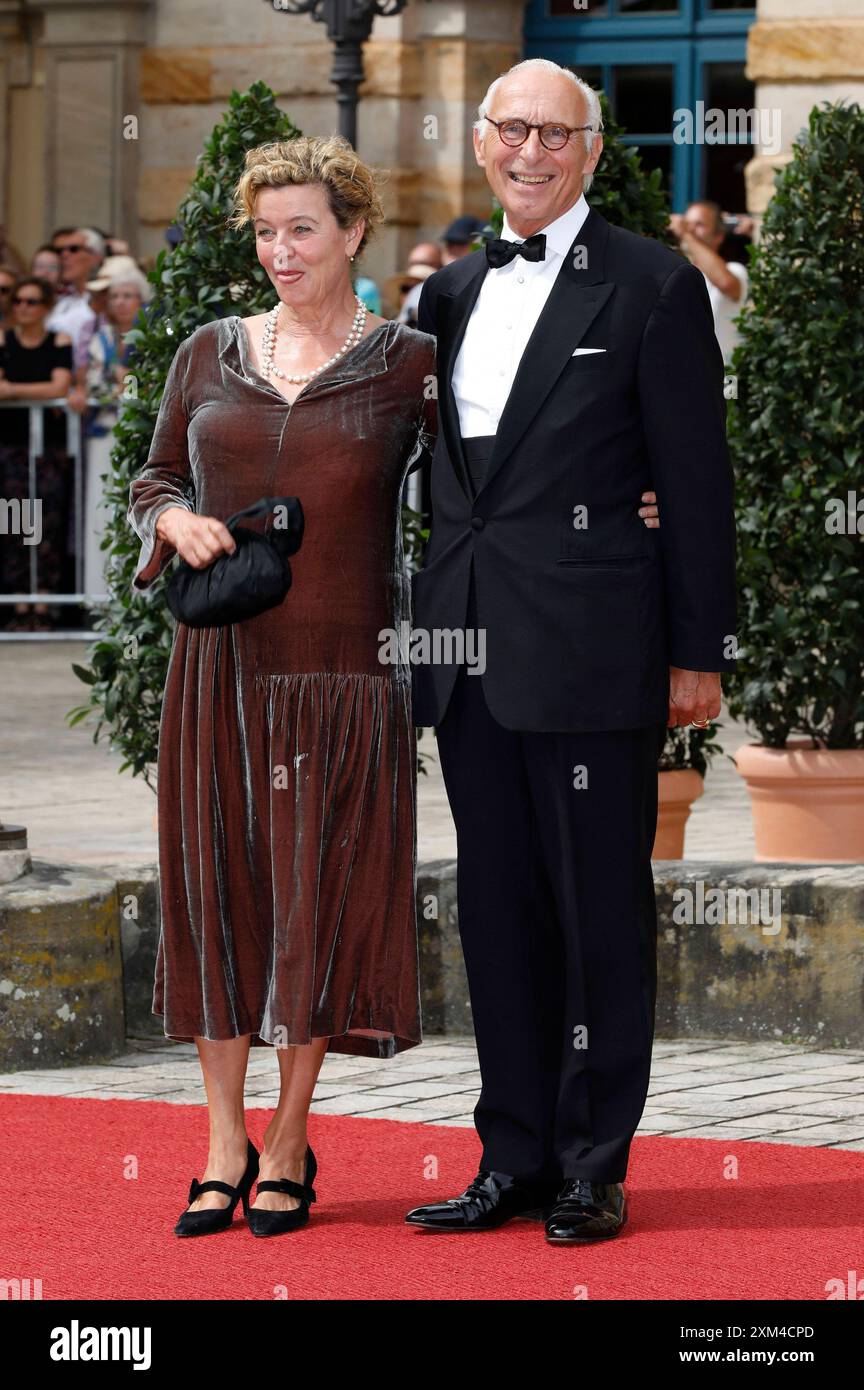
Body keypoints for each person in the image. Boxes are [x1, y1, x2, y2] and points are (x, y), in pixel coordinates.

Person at [404, 57, 736, 1245]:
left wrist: (699, 650)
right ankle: (514, 1156)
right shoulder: (443, 296)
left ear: (592, 152)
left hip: (597, 648)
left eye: (557, 134)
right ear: (481, 143)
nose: (532, 152)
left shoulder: (651, 285)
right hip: (468, 648)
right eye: (512, 131)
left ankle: (595, 1160)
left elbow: (697, 484)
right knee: (492, 913)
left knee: (599, 910)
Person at [126, 135, 437, 1240]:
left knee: (318, 904)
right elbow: (153, 471)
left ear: (354, 231)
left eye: (302, 227)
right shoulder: (210, 350)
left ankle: (293, 1132)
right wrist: (171, 517)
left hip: (349, 679)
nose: (280, 249)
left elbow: (484, 497)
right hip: (221, 675)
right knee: (220, 901)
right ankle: (222, 1138)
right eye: (265, 230)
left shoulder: (408, 363)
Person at [70, 264, 148, 596]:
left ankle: (137, 596)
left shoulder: (153, 337)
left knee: (137, 509)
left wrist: (125, 385)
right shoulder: (98, 338)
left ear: (142, 300)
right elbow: (86, 385)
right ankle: (100, 597)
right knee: (102, 509)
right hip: (103, 432)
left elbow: (144, 386)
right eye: (114, 296)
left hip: (140, 433)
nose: (120, 302)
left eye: (128, 295)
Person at [0, 277, 73, 630]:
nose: (23, 308)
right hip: (11, 446)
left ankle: (43, 603)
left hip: (49, 449)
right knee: (14, 521)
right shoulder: (4, 340)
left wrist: (12, 389)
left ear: (45, 307)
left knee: (46, 523)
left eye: (31, 302)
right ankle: (17, 603)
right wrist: (32, 392)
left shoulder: (59, 340)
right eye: (18, 302)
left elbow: (60, 386)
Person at [669, 201, 749, 365]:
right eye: (687, 223)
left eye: (699, 224)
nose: (690, 229)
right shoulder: (674, 273)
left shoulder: (735, 270)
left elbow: (726, 283)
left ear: (719, 236)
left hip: (726, 381)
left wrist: (685, 234)